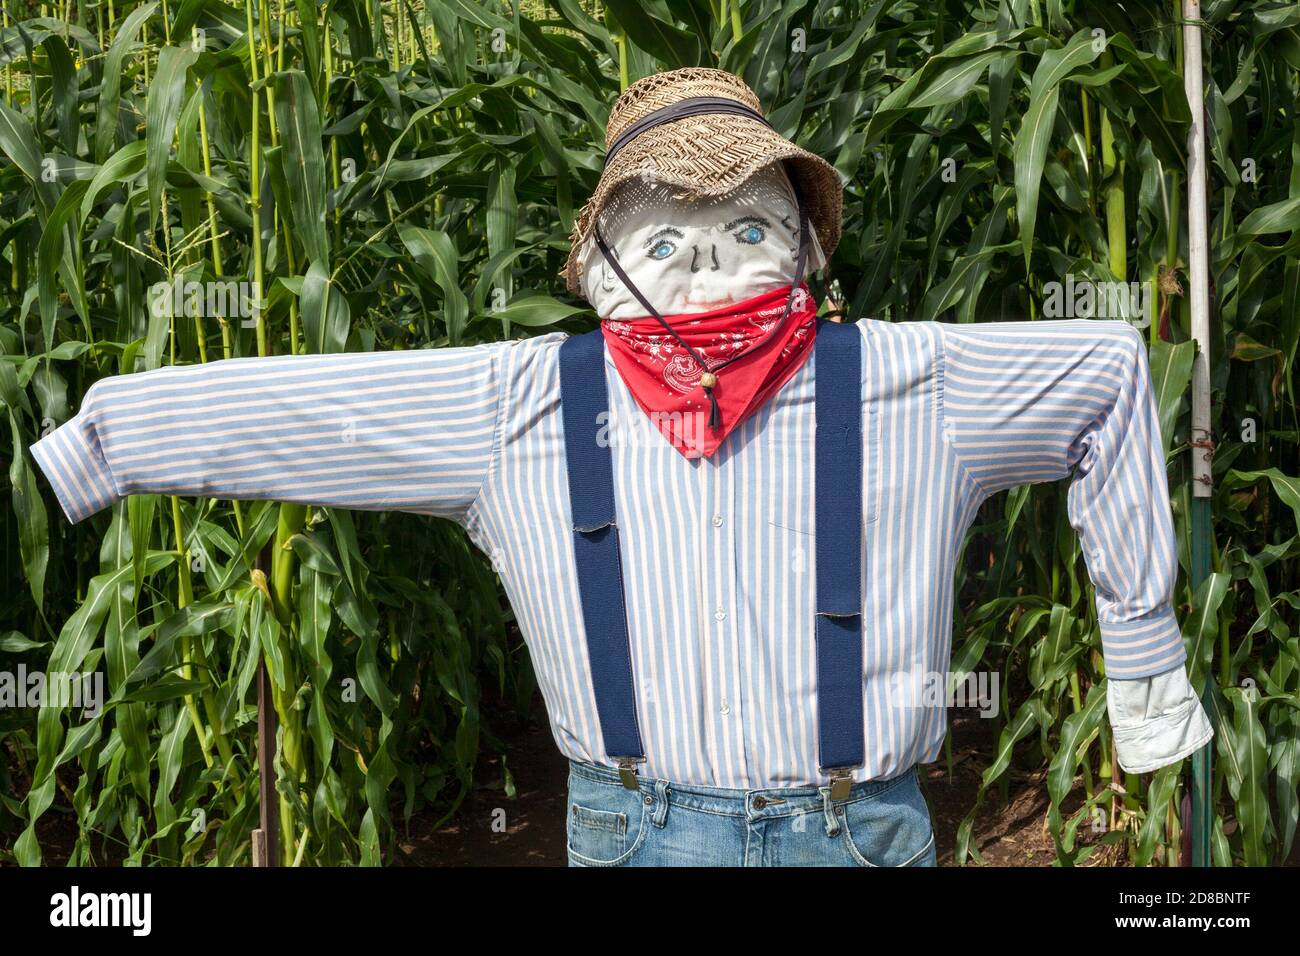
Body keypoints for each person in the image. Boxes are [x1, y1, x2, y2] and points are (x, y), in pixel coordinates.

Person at [31, 67, 1211, 867]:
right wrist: (101, 440)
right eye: (664, 238)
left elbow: (1106, 373)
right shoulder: (524, 401)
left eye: (746, 229)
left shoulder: (915, 378)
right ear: (602, 263)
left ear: (802, 243)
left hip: (859, 829)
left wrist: (1144, 669)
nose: (705, 264)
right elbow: (313, 408)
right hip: (634, 827)